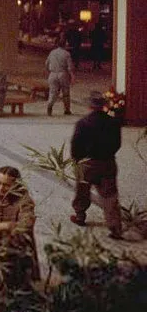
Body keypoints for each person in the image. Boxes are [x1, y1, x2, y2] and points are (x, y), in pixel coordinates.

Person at [69, 92, 123, 239]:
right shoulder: (113, 123)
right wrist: (108, 155)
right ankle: (115, 226)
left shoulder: (83, 123)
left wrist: (76, 159)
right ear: (104, 106)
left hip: (87, 163)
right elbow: (117, 144)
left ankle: (80, 216)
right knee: (110, 196)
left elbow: (76, 144)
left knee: (82, 190)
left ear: (90, 106)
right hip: (107, 162)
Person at [0, 166, 39, 294]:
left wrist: (4, 226)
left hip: (16, 246)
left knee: (15, 283)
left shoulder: (24, 199)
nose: (1, 188)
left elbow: (27, 223)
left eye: (6, 185)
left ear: (16, 184)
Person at [45, 38, 74, 116]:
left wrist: (49, 72)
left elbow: (46, 63)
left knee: (52, 92)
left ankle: (50, 104)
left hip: (53, 73)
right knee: (66, 92)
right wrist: (72, 76)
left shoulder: (52, 52)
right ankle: (67, 109)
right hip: (63, 74)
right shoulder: (67, 54)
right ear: (65, 44)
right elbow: (69, 67)